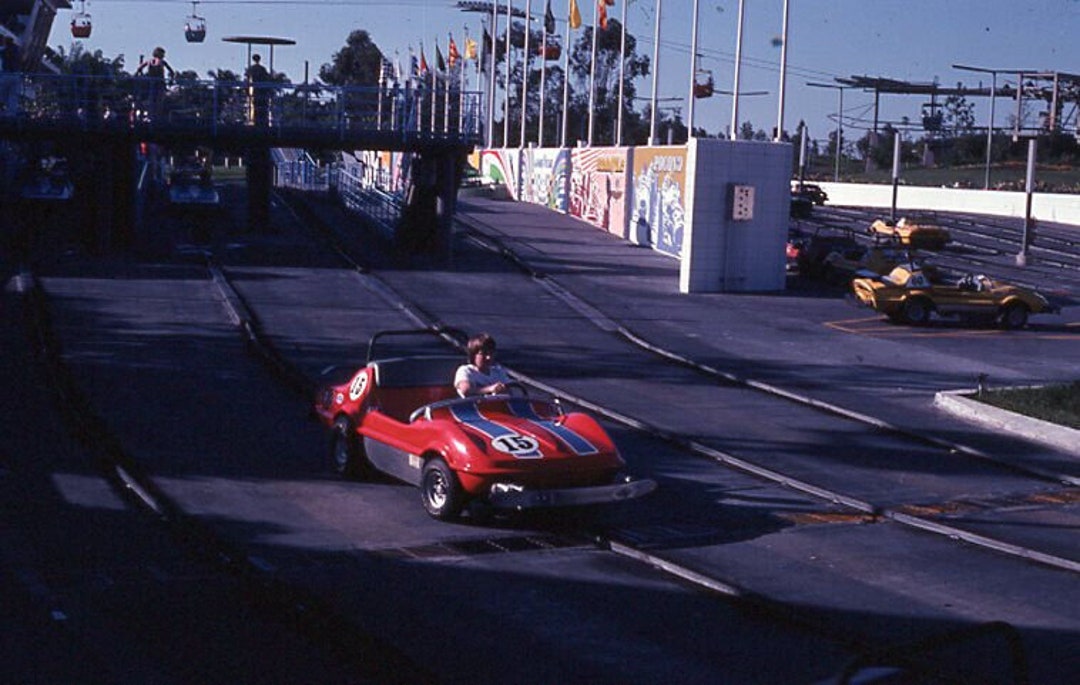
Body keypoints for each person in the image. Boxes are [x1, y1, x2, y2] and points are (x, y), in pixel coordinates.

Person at [454, 333, 511, 397]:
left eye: (491, 353)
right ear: (473, 355)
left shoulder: (498, 371)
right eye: (484, 353)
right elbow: (466, 390)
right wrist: (489, 389)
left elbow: (510, 390)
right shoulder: (466, 371)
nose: (488, 357)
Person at [134, 47, 174, 119]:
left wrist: (139, 74)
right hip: (159, 83)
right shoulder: (161, 61)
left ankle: (151, 116)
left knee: (152, 100)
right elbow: (171, 72)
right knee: (158, 101)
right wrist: (171, 80)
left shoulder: (149, 61)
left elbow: (139, 68)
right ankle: (156, 117)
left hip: (150, 83)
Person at [246, 53, 271, 125]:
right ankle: (260, 121)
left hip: (257, 90)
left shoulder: (252, 68)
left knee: (258, 105)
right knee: (260, 106)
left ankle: (257, 121)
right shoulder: (261, 68)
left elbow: (248, 77)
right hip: (260, 90)